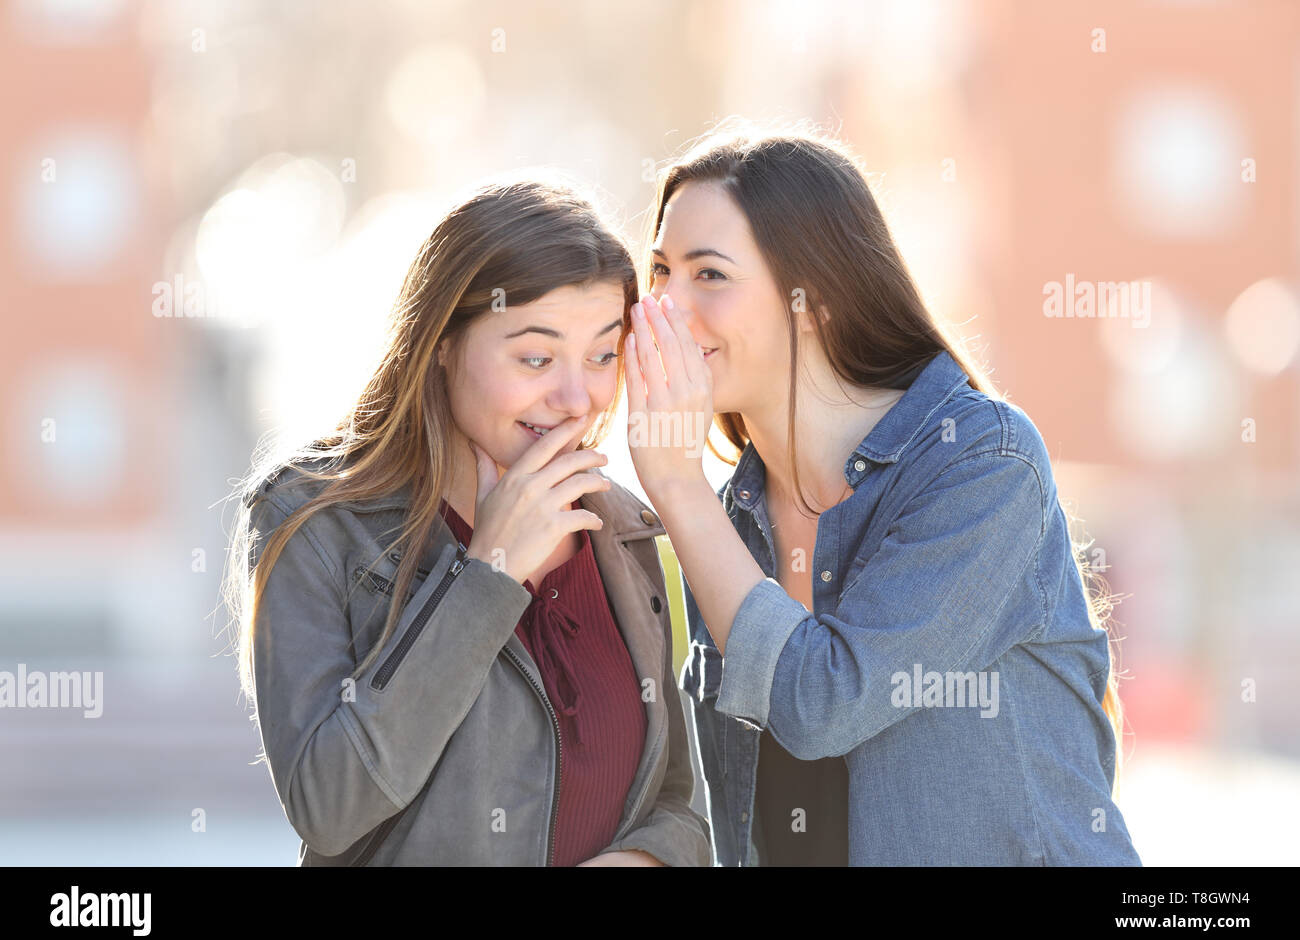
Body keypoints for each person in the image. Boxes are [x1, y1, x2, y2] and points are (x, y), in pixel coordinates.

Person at [622, 121, 1141, 866]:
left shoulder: (982, 464)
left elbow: (822, 703)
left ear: (819, 298)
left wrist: (675, 485)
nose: (665, 307)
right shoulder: (730, 517)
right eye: (660, 270)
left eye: (709, 274)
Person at [223, 176, 711, 866]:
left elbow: (675, 805)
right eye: (536, 358)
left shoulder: (623, 532)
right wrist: (488, 574)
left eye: (603, 355)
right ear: (442, 343)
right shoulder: (318, 522)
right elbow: (330, 807)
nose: (578, 398)